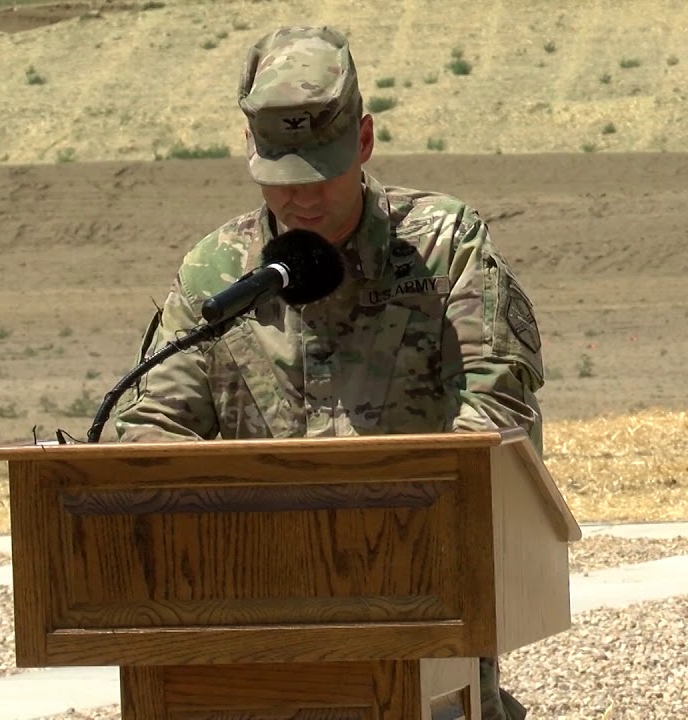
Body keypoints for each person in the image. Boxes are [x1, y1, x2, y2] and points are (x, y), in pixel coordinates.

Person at [112, 24, 544, 720]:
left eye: (324, 173)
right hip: (257, 623)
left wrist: (398, 537)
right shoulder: (218, 272)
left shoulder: (442, 247)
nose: (304, 201)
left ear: (365, 141)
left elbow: (498, 409)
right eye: (284, 179)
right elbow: (153, 425)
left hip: (421, 613)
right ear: (250, 149)